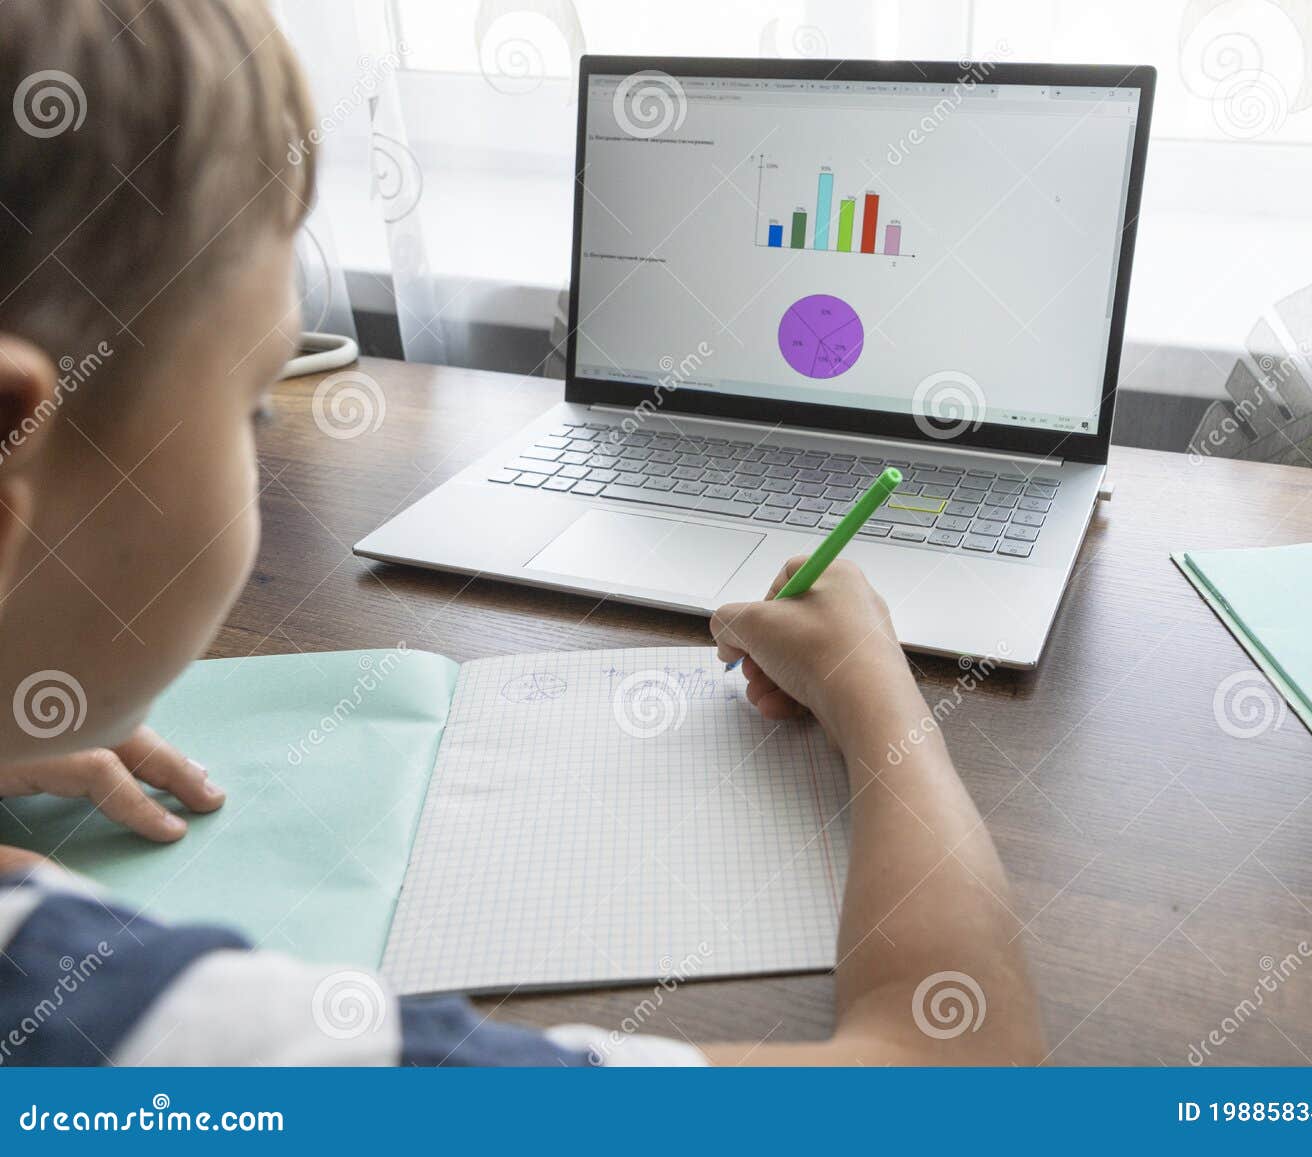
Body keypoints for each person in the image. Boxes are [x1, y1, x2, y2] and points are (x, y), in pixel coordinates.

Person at [0, 0, 1042, 1066]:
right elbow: (952, 1075)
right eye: (253, 403)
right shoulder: (156, 1031)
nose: (261, 438)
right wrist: (873, 684)